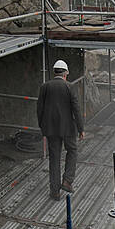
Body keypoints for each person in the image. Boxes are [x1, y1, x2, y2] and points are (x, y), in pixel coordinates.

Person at [37, 59, 85, 199]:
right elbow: (76, 109)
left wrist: (43, 126)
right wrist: (81, 128)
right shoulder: (70, 87)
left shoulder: (45, 87)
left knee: (54, 158)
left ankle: (55, 192)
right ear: (66, 73)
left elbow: (39, 109)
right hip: (68, 128)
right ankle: (67, 181)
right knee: (72, 151)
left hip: (51, 129)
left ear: (54, 72)